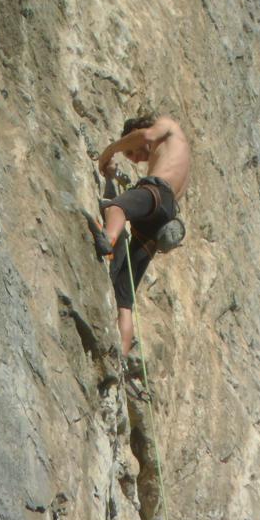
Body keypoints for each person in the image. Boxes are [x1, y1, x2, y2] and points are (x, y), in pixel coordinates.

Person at [88, 112, 190, 358]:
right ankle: (120, 360)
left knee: (116, 208)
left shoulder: (167, 125)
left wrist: (109, 151)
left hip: (157, 193)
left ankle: (107, 239)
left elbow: (145, 135)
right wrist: (112, 175)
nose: (134, 159)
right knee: (124, 297)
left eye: (131, 152)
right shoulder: (174, 155)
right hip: (164, 214)